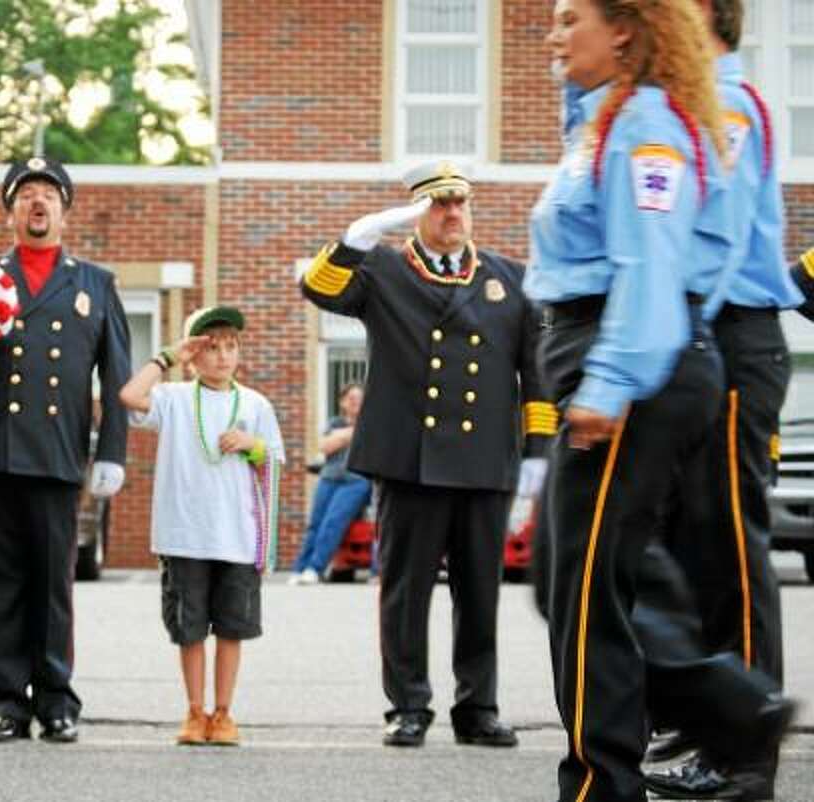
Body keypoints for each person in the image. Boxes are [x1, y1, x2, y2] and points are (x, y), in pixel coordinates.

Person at [528, 3, 790, 800]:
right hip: (630, 348)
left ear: (628, 29)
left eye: (571, 16)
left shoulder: (657, 123)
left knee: (630, 577)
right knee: (594, 573)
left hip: (653, 348)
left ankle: (636, 768)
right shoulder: (612, 115)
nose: (553, 32)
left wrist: (614, 381)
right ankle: (724, 705)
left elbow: (657, 262)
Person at [300, 162, 554, 749]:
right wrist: (358, 238)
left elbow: (535, 375)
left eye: (460, 202)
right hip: (410, 461)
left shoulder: (509, 279)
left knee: (479, 592)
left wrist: (535, 460)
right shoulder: (386, 270)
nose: (453, 213)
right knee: (406, 592)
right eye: (440, 204)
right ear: (418, 212)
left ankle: (478, 707)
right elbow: (318, 287)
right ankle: (408, 705)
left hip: (485, 462)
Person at [638, 1, 804, 796]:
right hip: (709, 339)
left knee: (733, 550)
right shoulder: (692, 101)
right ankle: (714, 719)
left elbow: (707, 235)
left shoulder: (724, 106)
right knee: (696, 542)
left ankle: (745, 759)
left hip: (733, 338)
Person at [0, 157, 131, 745]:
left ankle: (57, 699)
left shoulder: (95, 283)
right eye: (27, 194)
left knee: (53, 589)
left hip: (59, 455)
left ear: (64, 209)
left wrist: (111, 452)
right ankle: (8, 703)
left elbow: (115, 376)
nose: (38, 203)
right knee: (2, 584)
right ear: (10, 209)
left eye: (49, 194)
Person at [119, 306, 285, 746]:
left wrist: (253, 445)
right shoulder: (174, 398)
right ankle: (195, 711)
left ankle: (224, 712)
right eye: (211, 348)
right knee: (189, 628)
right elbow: (130, 398)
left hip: (237, 537)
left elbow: (276, 460)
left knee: (232, 627)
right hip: (183, 534)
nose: (223, 357)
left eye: (231, 347)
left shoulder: (254, 404)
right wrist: (166, 357)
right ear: (193, 355)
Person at [290, 383, 370, 584]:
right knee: (315, 524)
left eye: (359, 398)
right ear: (342, 402)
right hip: (329, 478)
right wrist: (351, 433)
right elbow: (325, 447)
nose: (355, 402)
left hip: (356, 481)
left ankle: (315, 569)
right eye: (351, 398)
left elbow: (336, 442)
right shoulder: (334, 422)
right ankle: (299, 568)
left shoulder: (372, 424)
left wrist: (342, 436)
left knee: (332, 523)